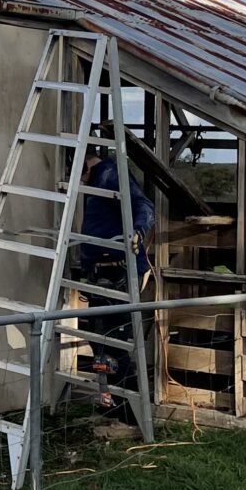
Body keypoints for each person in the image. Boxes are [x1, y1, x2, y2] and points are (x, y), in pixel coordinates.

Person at [71, 147, 155, 406]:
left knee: (116, 340)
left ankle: (128, 407)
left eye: (76, 172)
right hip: (100, 271)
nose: (78, 179)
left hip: (118, 269)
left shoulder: (109, 175)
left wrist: (138, 232)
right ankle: (113, 400)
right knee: (97, 335)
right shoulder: (97, 180)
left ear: (85, 163)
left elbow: (143, 205)